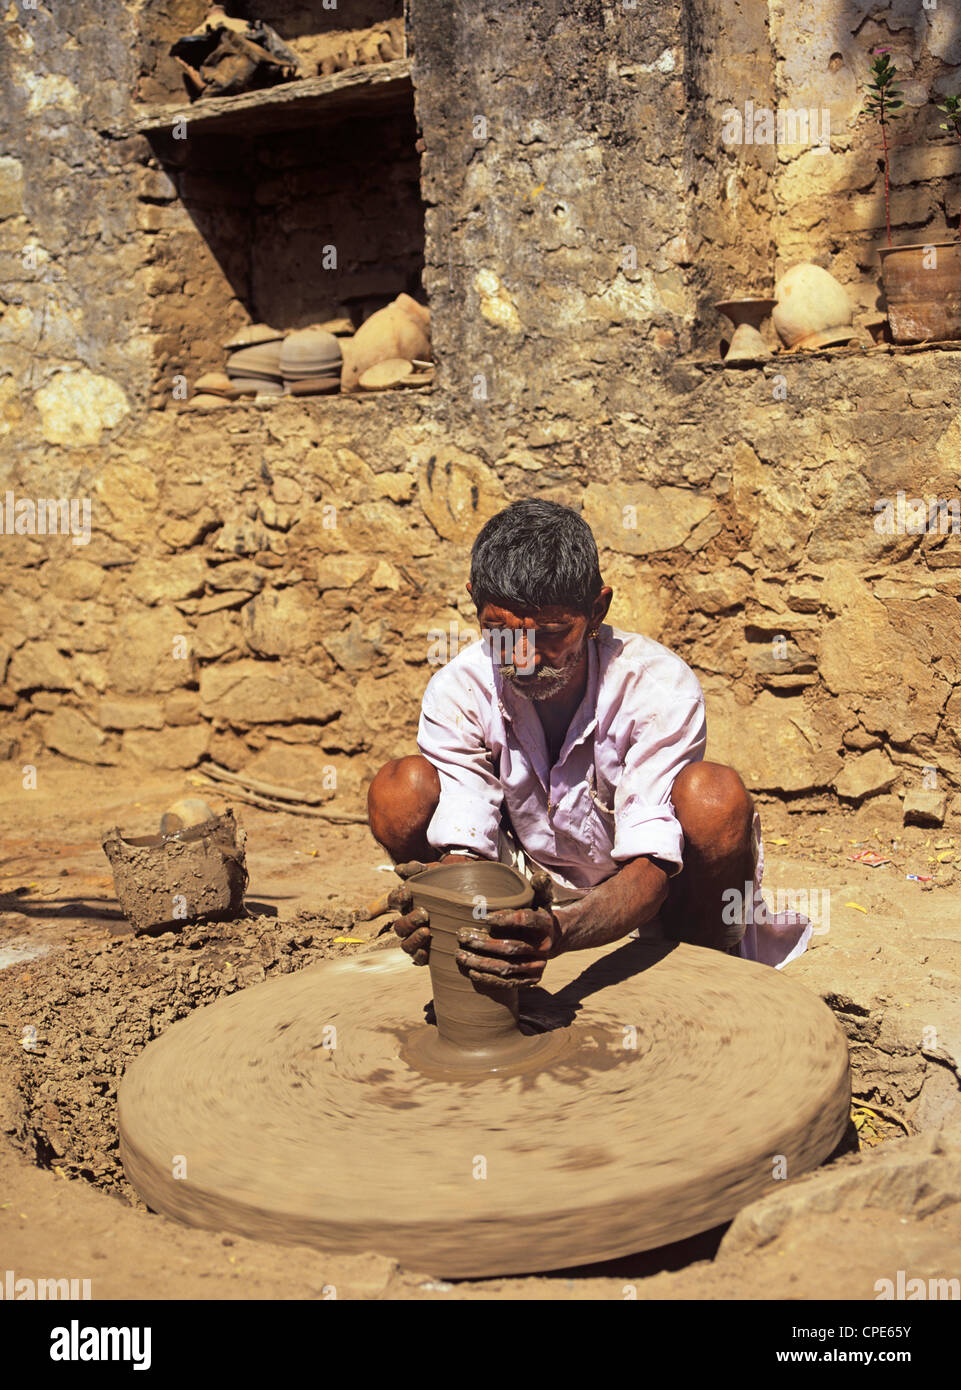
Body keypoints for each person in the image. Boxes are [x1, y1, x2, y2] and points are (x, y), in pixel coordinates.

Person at [367, 499, 810, 989]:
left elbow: (653, 866)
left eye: (553, 633)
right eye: (499, 633)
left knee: (715, 799)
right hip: (517, 885)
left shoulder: (655, 684)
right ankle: (471, 962)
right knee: (397, 790)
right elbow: (463, 843)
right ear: (475, 603)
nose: (526, 659)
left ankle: (696, 974)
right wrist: (444, 905)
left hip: (653, 895)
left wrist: (560, 932)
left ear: (597, 610)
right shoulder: (459, 689)